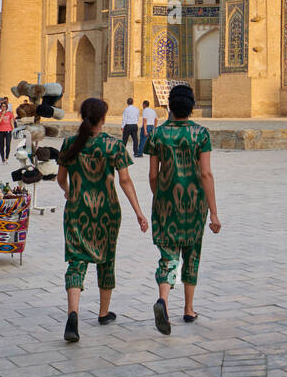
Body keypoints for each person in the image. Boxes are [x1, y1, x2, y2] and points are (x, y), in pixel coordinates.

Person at [55, 98, 148, 343]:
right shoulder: (113, 146)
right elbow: (125, 181)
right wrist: (139, 212)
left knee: (77, 261)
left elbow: (60, 178)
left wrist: (68, 191)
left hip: (76, 209)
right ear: (104, 118)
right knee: (106, 258)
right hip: (107, 211)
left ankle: (72, 313)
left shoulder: (69, 143)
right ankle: (103, 312)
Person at [144, 85, 219, 334]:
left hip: (166, 202)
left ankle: (163, 301)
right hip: (195, 205)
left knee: (168, 255)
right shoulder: (201, 134)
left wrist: (160, 198)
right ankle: (188, 309)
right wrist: (214, 212)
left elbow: (153, 175)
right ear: (192, 107)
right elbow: (206, 174)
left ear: (170, 108)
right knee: (192, 253)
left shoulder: (158, 135)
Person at [0, 99, 15, 163]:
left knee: (8, 144)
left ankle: (7, 157)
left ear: (6, 107)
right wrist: (2, 115)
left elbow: (12, 122)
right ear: (0, 107)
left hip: (8, 130)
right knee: (1, 145)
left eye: (4, 106)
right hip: (0, 131)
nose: (3, 107)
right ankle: (3, 158)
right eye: (2, 106)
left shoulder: (10, 113)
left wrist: (14, 130)